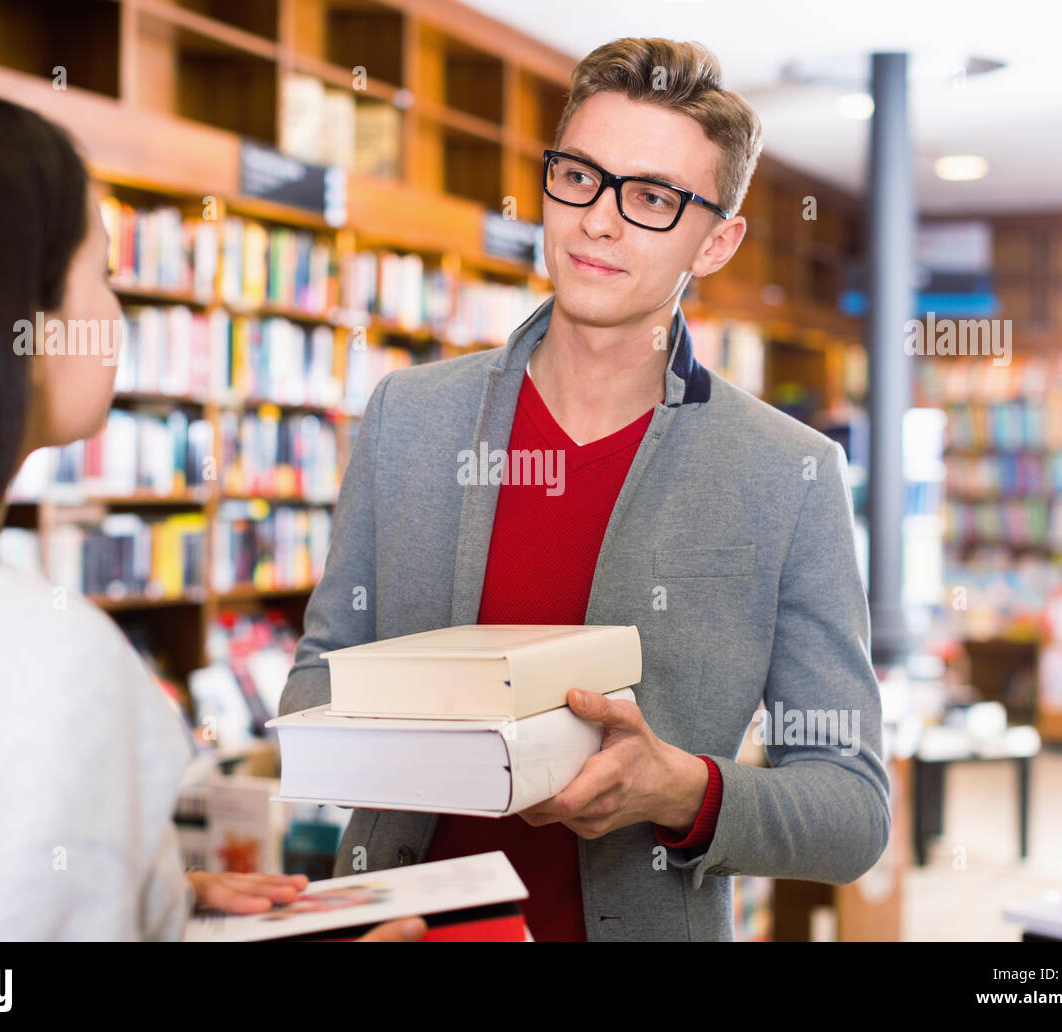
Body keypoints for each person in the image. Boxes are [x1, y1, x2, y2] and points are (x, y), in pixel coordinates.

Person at [282, 37, 892, 942]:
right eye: (580, 177)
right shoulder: (409, 418)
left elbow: (852, 809)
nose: (599, 221)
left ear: (717, 241)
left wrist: (680, 788)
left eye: (651, 198)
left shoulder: (788, 473)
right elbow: (311, 692)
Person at [0, 88, 421, 942]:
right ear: (21, 322)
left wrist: (145, 892)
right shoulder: (33, 661)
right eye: (105, 273)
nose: (119, 313)